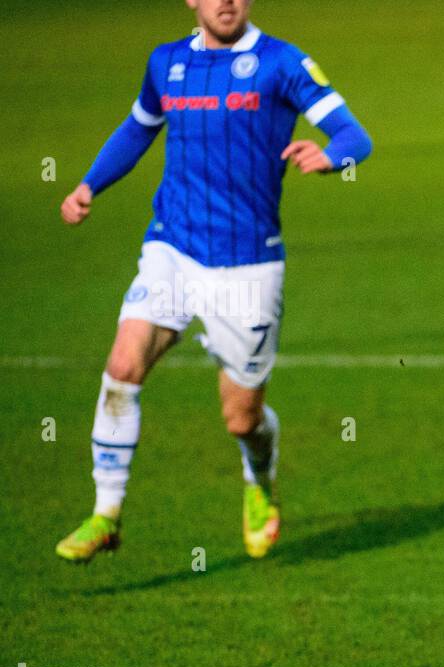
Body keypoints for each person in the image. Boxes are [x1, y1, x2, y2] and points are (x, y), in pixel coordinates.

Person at [55, 0, 372, 563]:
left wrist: (332, 158)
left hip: (248, 264)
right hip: (172, 247)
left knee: (241, 417)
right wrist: (88, 186)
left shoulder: (283, 63)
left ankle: (260, 480)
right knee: (123, 366)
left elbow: (355, 136)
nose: (226, 1)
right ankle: (106, 512)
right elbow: (138, 129)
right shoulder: (166, 63)